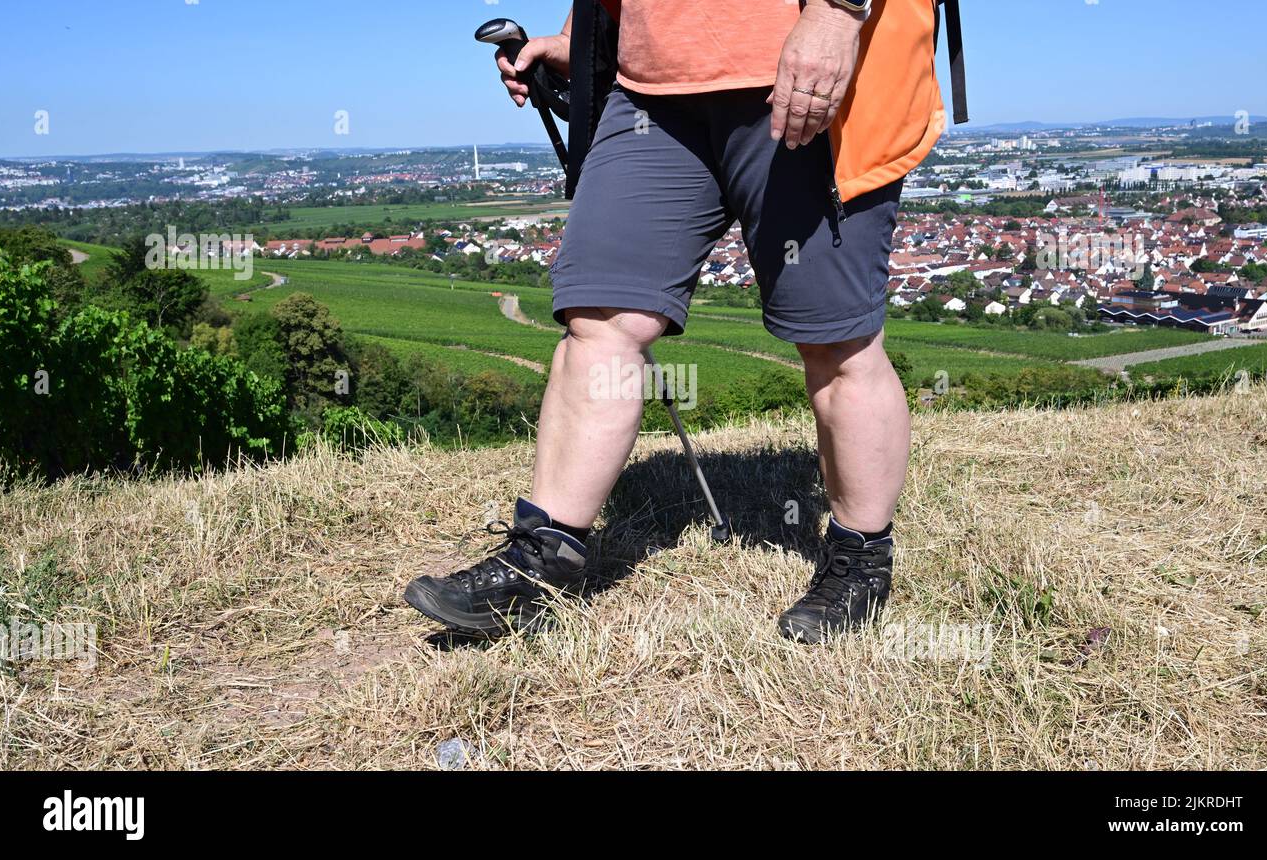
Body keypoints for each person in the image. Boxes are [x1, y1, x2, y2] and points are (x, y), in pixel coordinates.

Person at [406, 0, 949, 643]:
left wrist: (836, 16)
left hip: (807, 77)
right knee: (601, 317)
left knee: (836, 341)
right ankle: (541, 557)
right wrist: (579, 41)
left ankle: (859, 558)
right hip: (651, 96)